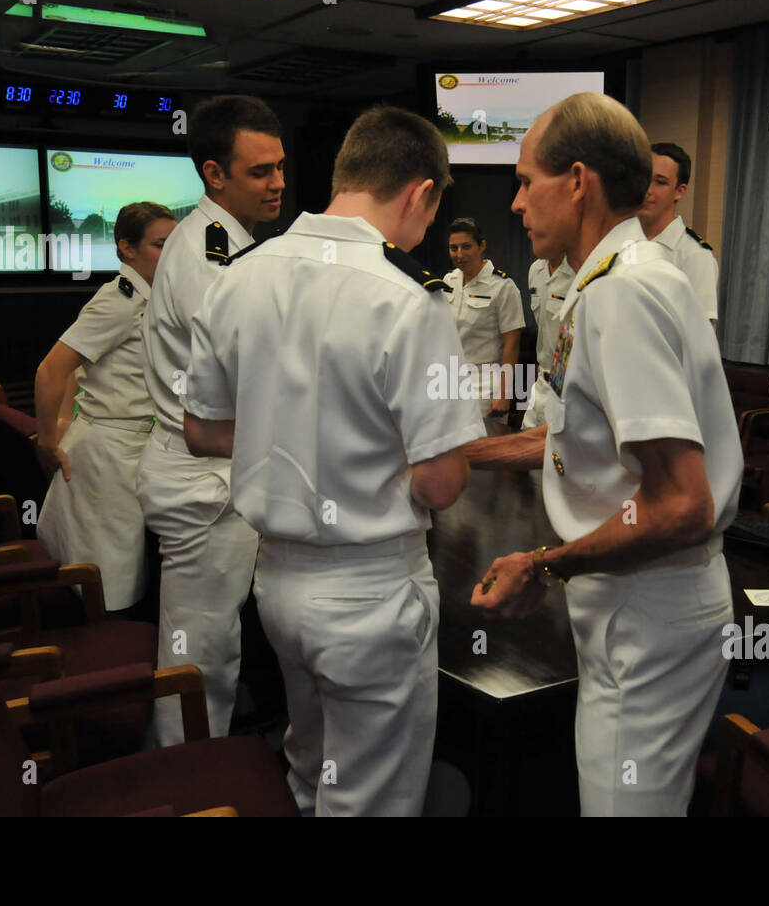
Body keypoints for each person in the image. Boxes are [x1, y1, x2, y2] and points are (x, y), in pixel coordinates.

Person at [181, 106, 484, 816]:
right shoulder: (409, 300)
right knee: (370, 799)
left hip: (277, 584)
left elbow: (200, 429)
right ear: (420, 193)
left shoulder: (240, 275)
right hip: (370, 593)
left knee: (309, 769)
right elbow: (442, 483)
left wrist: (287, 435)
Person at [462, 93, 742, 817]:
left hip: (649, 603)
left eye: (527, 181)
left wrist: (544, 565)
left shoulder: (623, 294)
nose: (517, 203)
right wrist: (453, 453)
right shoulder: (612, 280)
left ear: (578, 181)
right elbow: (565, 435)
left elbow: (682, 504)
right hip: (635, 596)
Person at [137, 95, 286, 746]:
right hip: (206, 477)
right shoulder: (210, 253)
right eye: (260, 172)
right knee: (201, 650)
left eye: (281, 167)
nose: (278, 182)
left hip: (219, 466)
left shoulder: (233, 243)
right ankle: (183, 777)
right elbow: (250, 374)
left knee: (227, 640)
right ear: (214, 174)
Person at [34, 202, 175, 613]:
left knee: (118, 573)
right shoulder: (121, 300)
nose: (170, 256)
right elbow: (50, 371)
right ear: (126, 249)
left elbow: (81, 369)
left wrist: (65, 416)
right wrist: (48, 437)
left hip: (130, 446)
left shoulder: (150, 297)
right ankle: (104, 667)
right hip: (107, 452)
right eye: (160, 245)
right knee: (108, 588)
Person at [442, 218, 525, 417]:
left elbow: (512, 344)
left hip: (485, 382)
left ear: (482, 246)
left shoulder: (503, 286)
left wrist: (503, 394)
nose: (459, 254)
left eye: (466, 247)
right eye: (454, 248)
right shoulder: (448, 281)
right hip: (449, 378)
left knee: (487, 444)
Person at [637, 142, 719, 323]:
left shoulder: (695, 255)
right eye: (644, 178)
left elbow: (699, 337)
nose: (648, 190)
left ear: (680, 192)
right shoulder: (624, 240)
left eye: (660, 182)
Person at [522, 248, 574, 429]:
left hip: (566, 385)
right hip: (541, 381)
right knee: (526, 448)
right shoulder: (535, 270)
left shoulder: (578, 270)